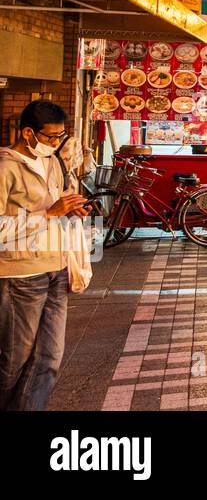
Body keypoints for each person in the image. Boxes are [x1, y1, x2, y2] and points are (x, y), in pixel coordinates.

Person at [0, 101, 90, 411]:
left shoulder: (53, 162)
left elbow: (57, 205)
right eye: (51, 137)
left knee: (49, 357)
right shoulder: (6, 167)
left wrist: (71, 208)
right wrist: (49, 214)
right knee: (13, 359)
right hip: (20, 274)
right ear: (28, 133)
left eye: (61, 137)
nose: (56, 143)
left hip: (56, 266)